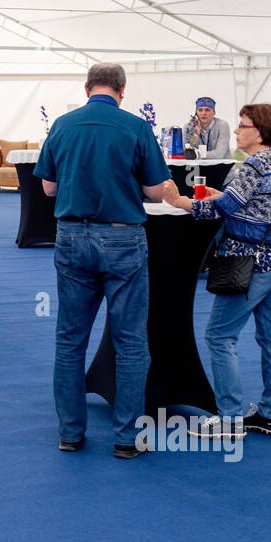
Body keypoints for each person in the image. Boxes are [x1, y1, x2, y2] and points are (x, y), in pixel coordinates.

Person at [33, 63, 169, 459]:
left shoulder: (62, 124)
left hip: (72, 235)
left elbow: (48, 186)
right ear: (122, 90)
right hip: (122, 236)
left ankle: (70, 433)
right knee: (130, 342)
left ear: (87, 87)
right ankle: (127, 438)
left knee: (70, 339)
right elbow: (154, 190)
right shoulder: (137, 127)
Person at [162, 103, 271, 440]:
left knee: (220, 336)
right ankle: (269, 414)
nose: (236, 131)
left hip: (251, 262)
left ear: (260, 132)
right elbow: (258, 208)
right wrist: (220, 196)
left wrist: (181, 202)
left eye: (243, 125)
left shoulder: (253, 166)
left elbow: (222, 210)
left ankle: (230, 418)